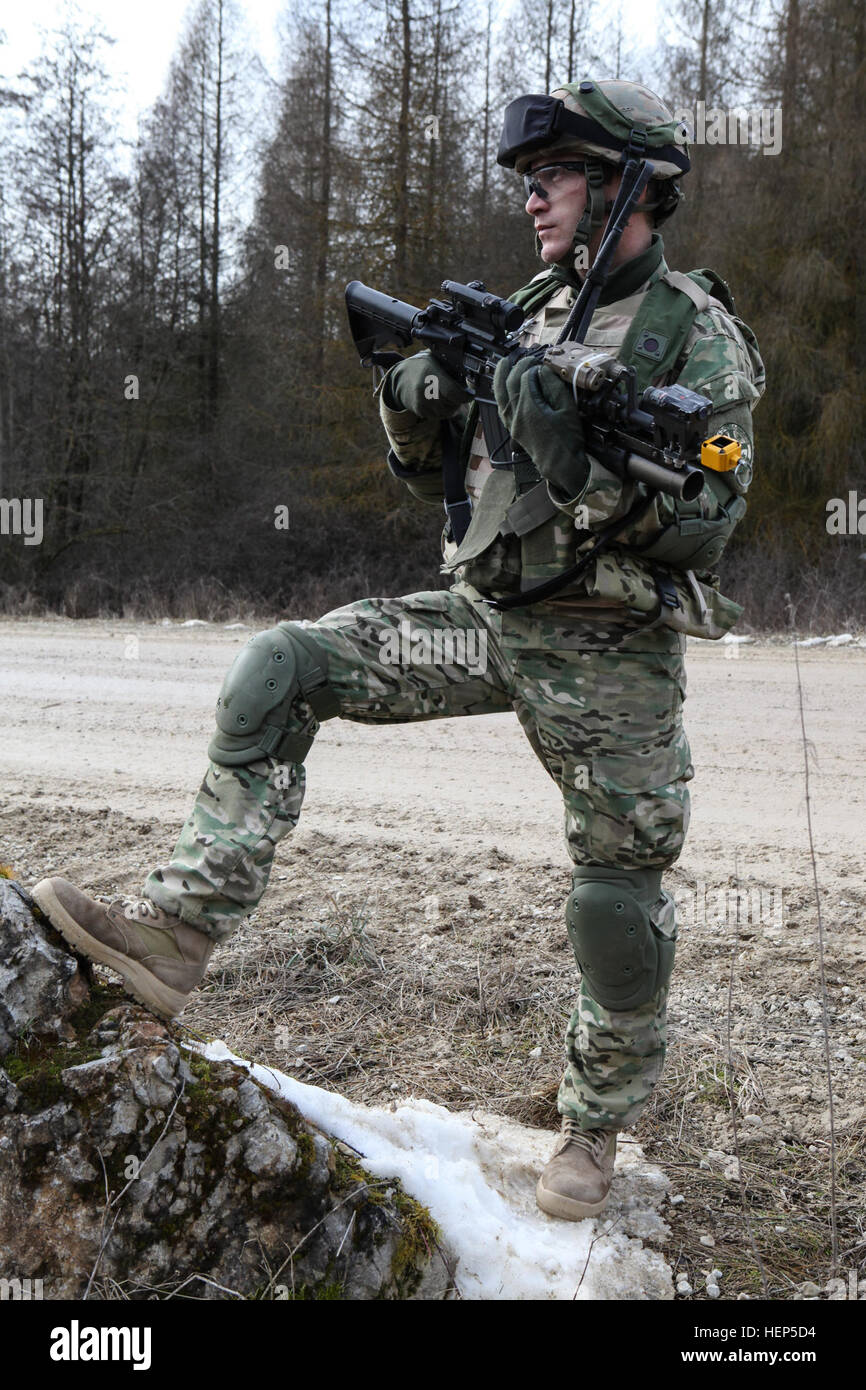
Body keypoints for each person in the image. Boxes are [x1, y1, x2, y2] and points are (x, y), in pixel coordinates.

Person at [33, 79, 765, 1222]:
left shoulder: (696, 337)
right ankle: (174, 936)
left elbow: (711, 517)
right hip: (480, 620)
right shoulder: (528, 308)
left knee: (614, 898)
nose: (531, 201)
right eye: (529, 181)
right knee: (281, 666)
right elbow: (446, 479)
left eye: (552, 176)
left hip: (604, 647)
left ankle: (591, 1123)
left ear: (627, 183)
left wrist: (573, 454)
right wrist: (412, 398)